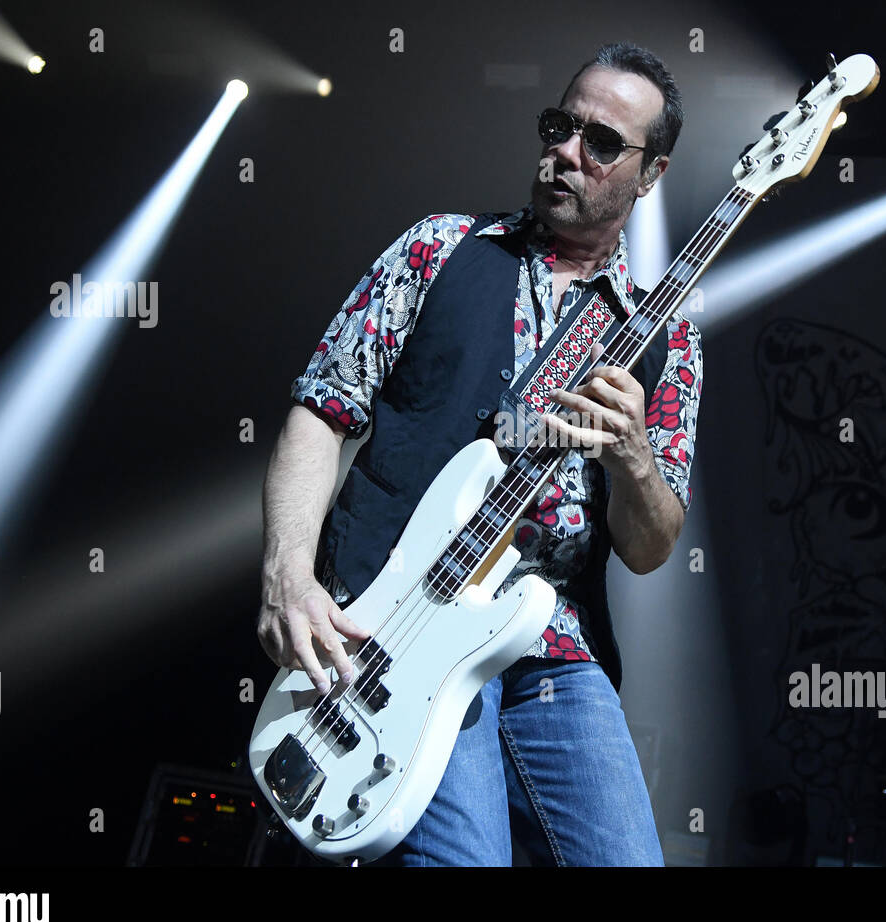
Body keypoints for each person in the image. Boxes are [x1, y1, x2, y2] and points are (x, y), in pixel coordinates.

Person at [256, 41, 703, 866]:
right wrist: (288, 574)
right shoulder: (441, 248)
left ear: (652, 175)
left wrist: (633, 458)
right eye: (561, 124)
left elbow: (649, 548)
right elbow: (321, 409)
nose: (568, 150)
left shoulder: (661, 338)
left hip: (556, 643)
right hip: (399, 618)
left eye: (602, 142)